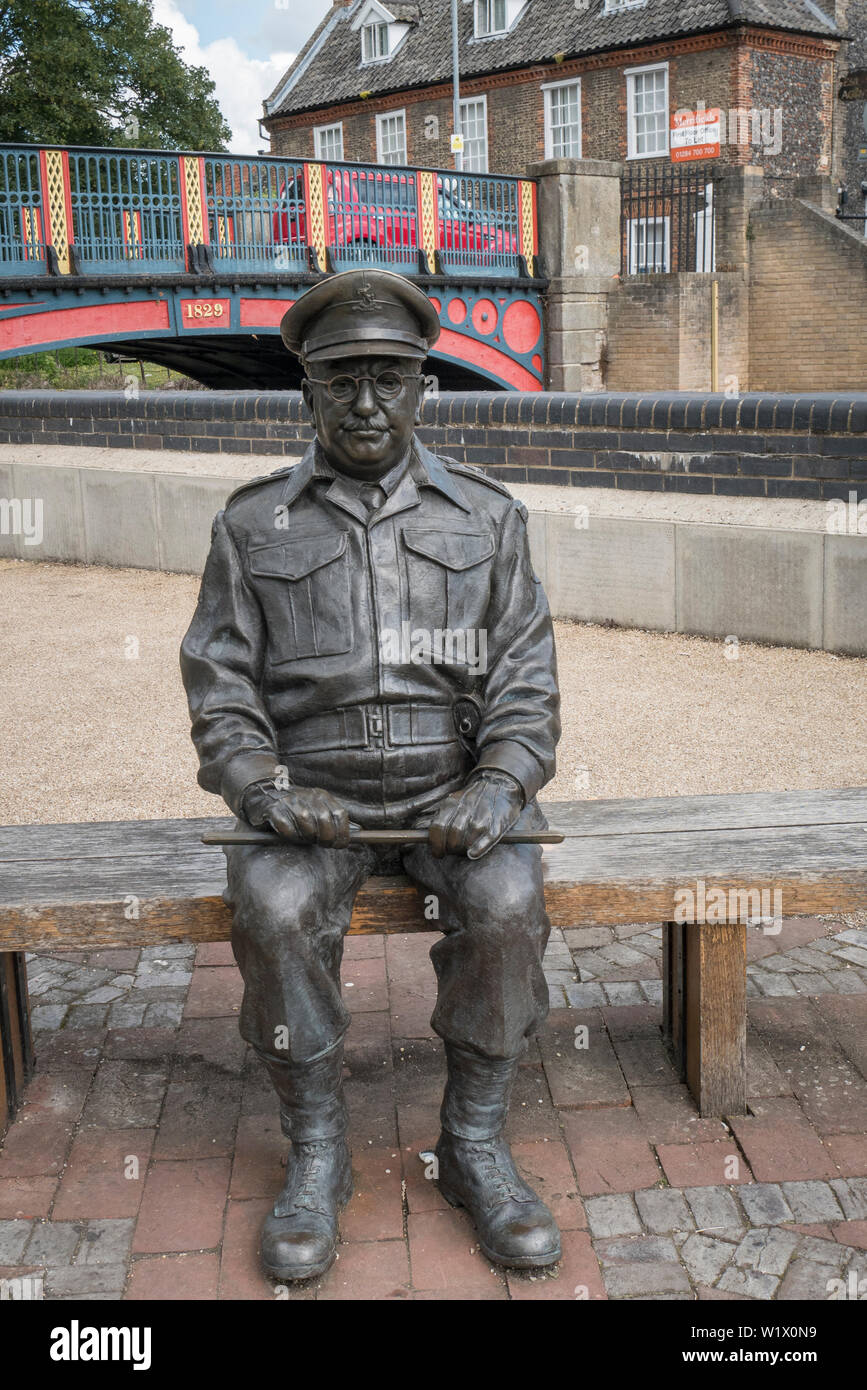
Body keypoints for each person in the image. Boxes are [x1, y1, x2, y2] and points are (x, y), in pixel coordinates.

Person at [180, 268, 562, 1283]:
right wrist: (261, 787)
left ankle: (474, 1144)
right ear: (305, 388)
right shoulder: (252, 524)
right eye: (341, 380)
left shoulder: (488, 518)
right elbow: (219, 685)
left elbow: (527, 678)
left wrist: (501, 782)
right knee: (269, 907)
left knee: (512, 902)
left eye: (388, 378)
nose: (364, 403)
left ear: (423, 385)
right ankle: (316, 1150)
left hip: (453, 793)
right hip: (313, 800)